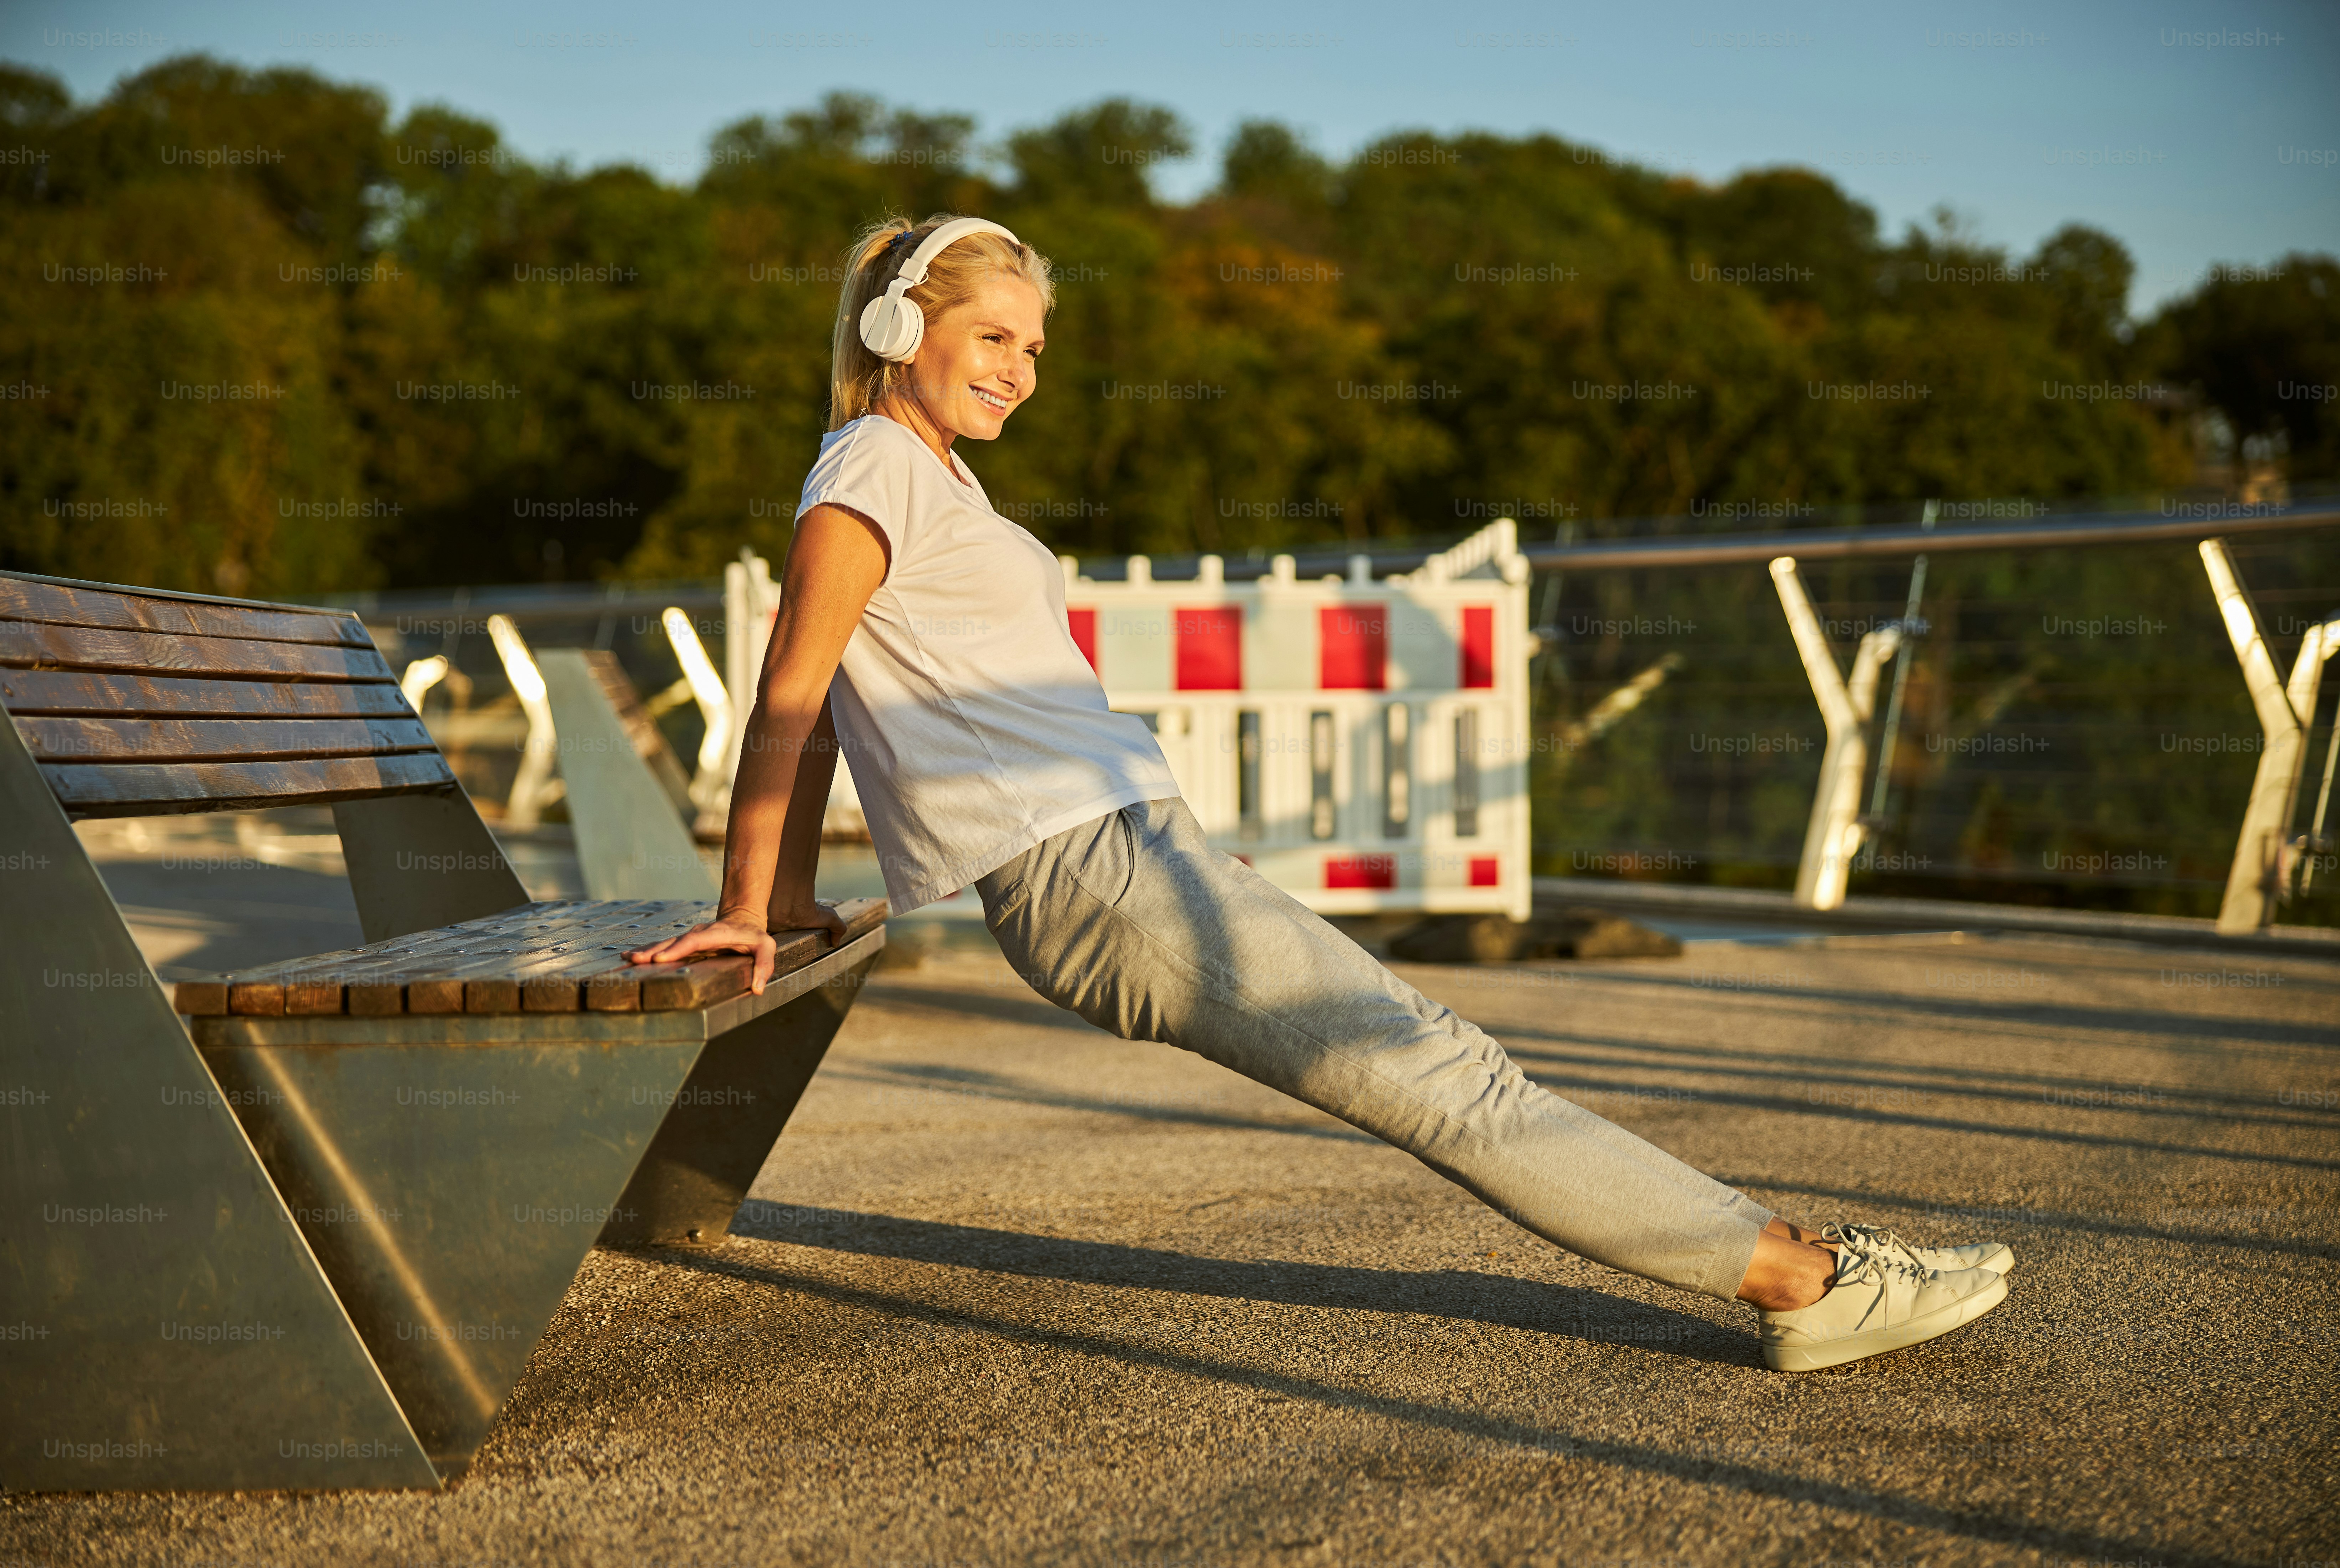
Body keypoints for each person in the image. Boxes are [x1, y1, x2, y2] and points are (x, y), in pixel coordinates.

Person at [628, 214, 2014, 1372]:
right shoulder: (871, 464)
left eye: (1034, 347)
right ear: (892, 332)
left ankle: (1793, 1267)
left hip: (1124, 861)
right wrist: (756, 902)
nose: (1020, 370)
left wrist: (791, 895)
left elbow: (831, 704)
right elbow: (794, 695)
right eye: (993, 336)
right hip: (1091, 878)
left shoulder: (933, 478)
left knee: (1440, 1067)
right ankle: (1798, 1280)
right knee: (1448, 1080)